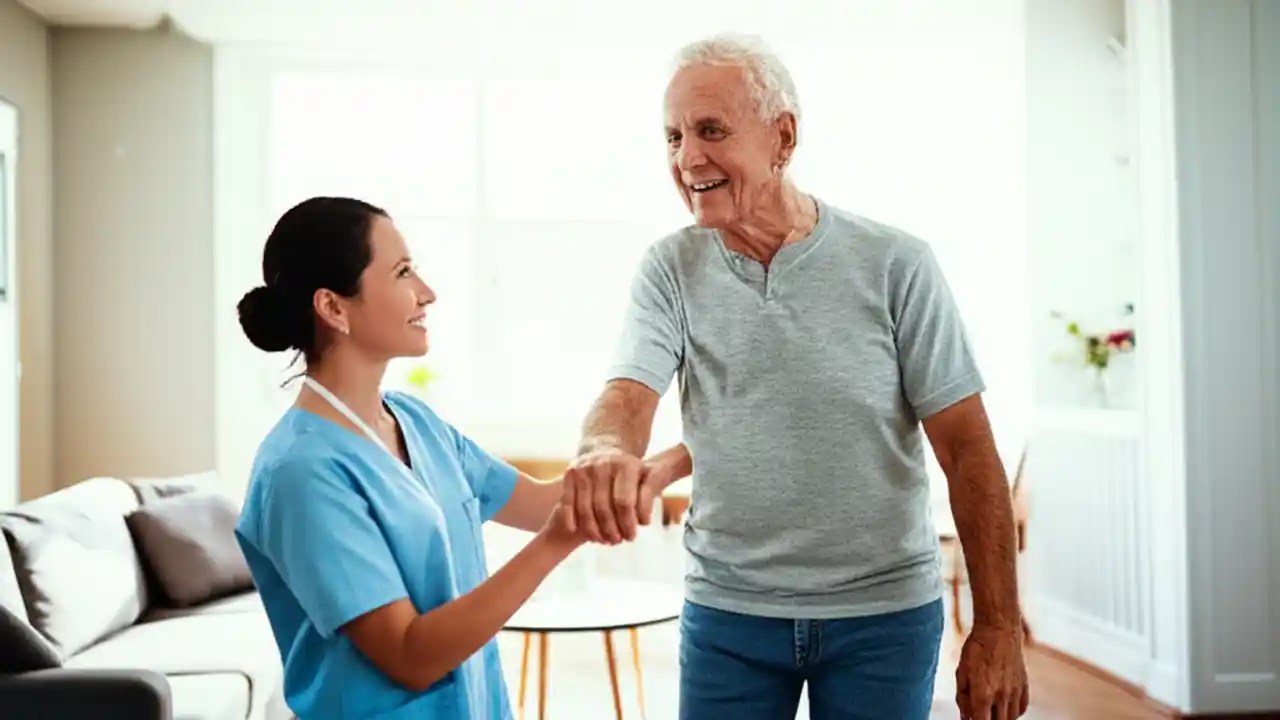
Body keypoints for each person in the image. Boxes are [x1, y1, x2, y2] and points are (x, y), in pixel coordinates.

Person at [561, 35, 1030, 720]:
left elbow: (967, 450)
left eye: (710, 131)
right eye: (672, 137)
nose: (687, 158)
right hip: (729, 615)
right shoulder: (670, 269)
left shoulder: (896, 264)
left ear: (782, 136)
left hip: (884, 616)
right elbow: (626, 394)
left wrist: (997, 626)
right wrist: (604, 450)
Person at [232, 197, 662, 719]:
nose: (427, 292)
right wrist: (558, 542)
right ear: (333, 308)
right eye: (402, 272)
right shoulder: (300, 474)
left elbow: (547, 503)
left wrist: (694, 449)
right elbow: (410, 657)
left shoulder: (416, 422)